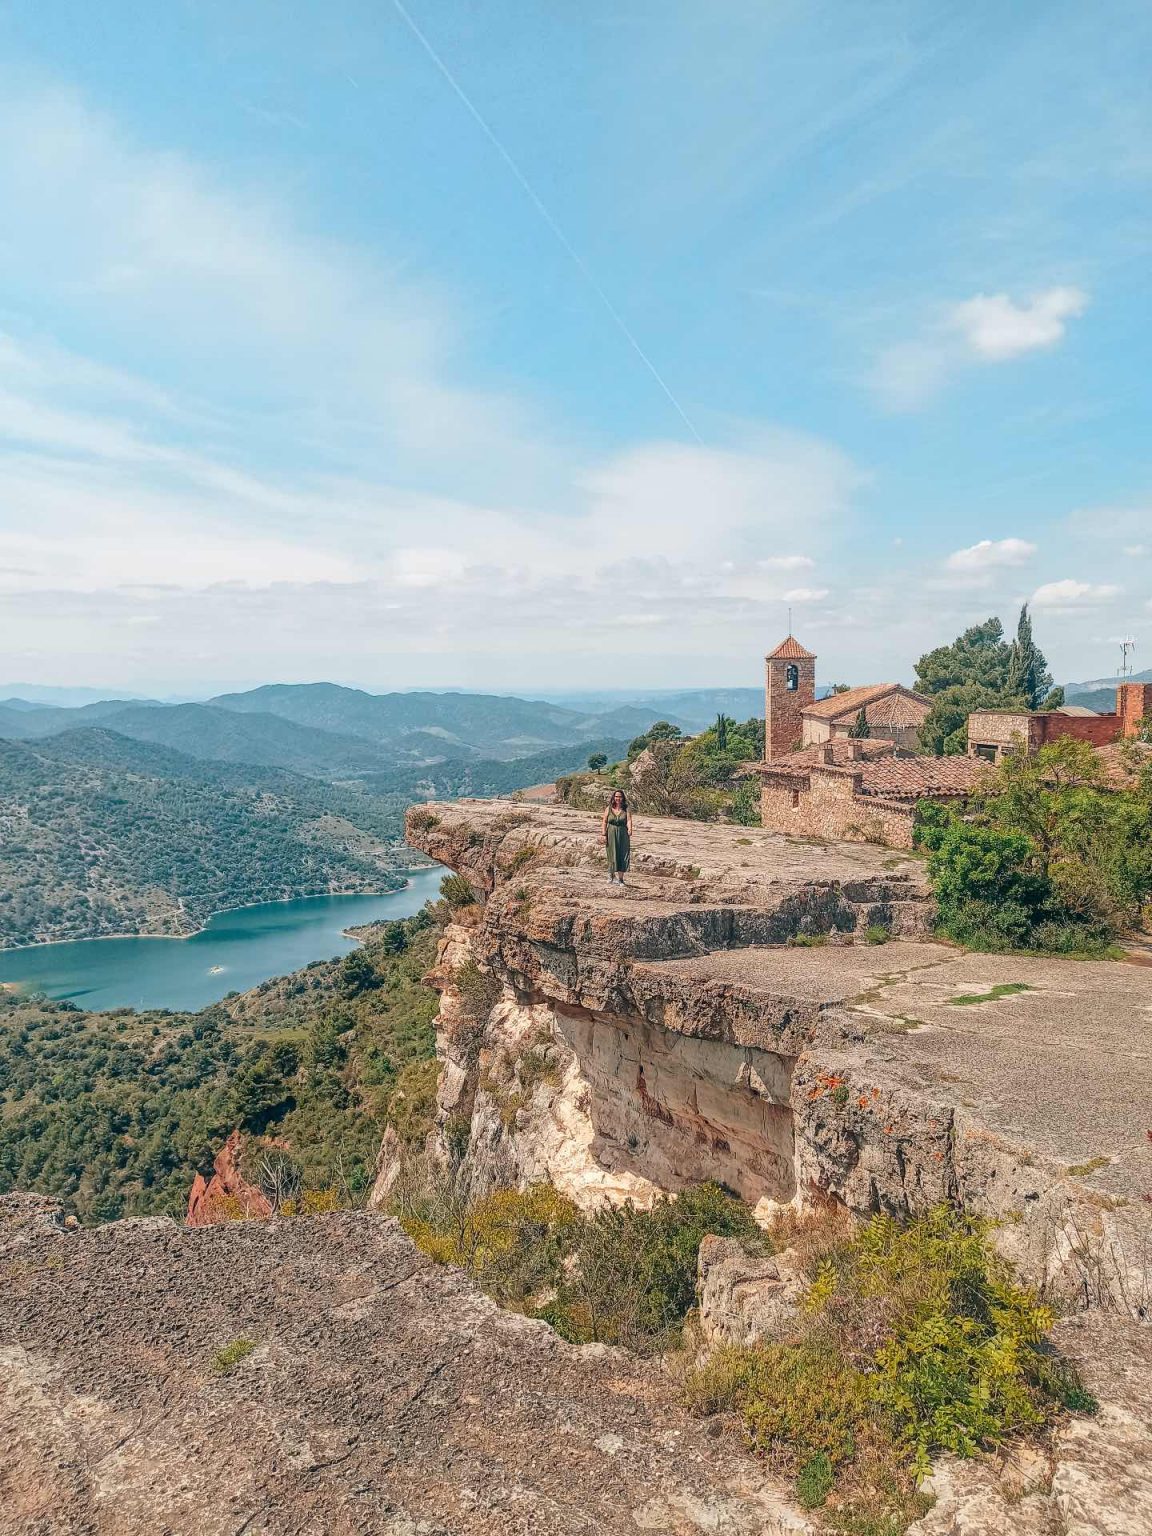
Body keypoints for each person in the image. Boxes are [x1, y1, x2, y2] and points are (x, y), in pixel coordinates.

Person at [602, 789, 632, 884]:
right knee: (612, 853)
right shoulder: (609, 808)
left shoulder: (626, 808)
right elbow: (604, 821)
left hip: (623, 834)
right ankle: (611, 875)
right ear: (613, 798)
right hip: (611, 833)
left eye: (620, 796)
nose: (618, 798)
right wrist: (603, 833)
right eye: (616, 796)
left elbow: (629, 820)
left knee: (623, 854)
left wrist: (630, 829)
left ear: (622, 798)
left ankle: (621, 879)